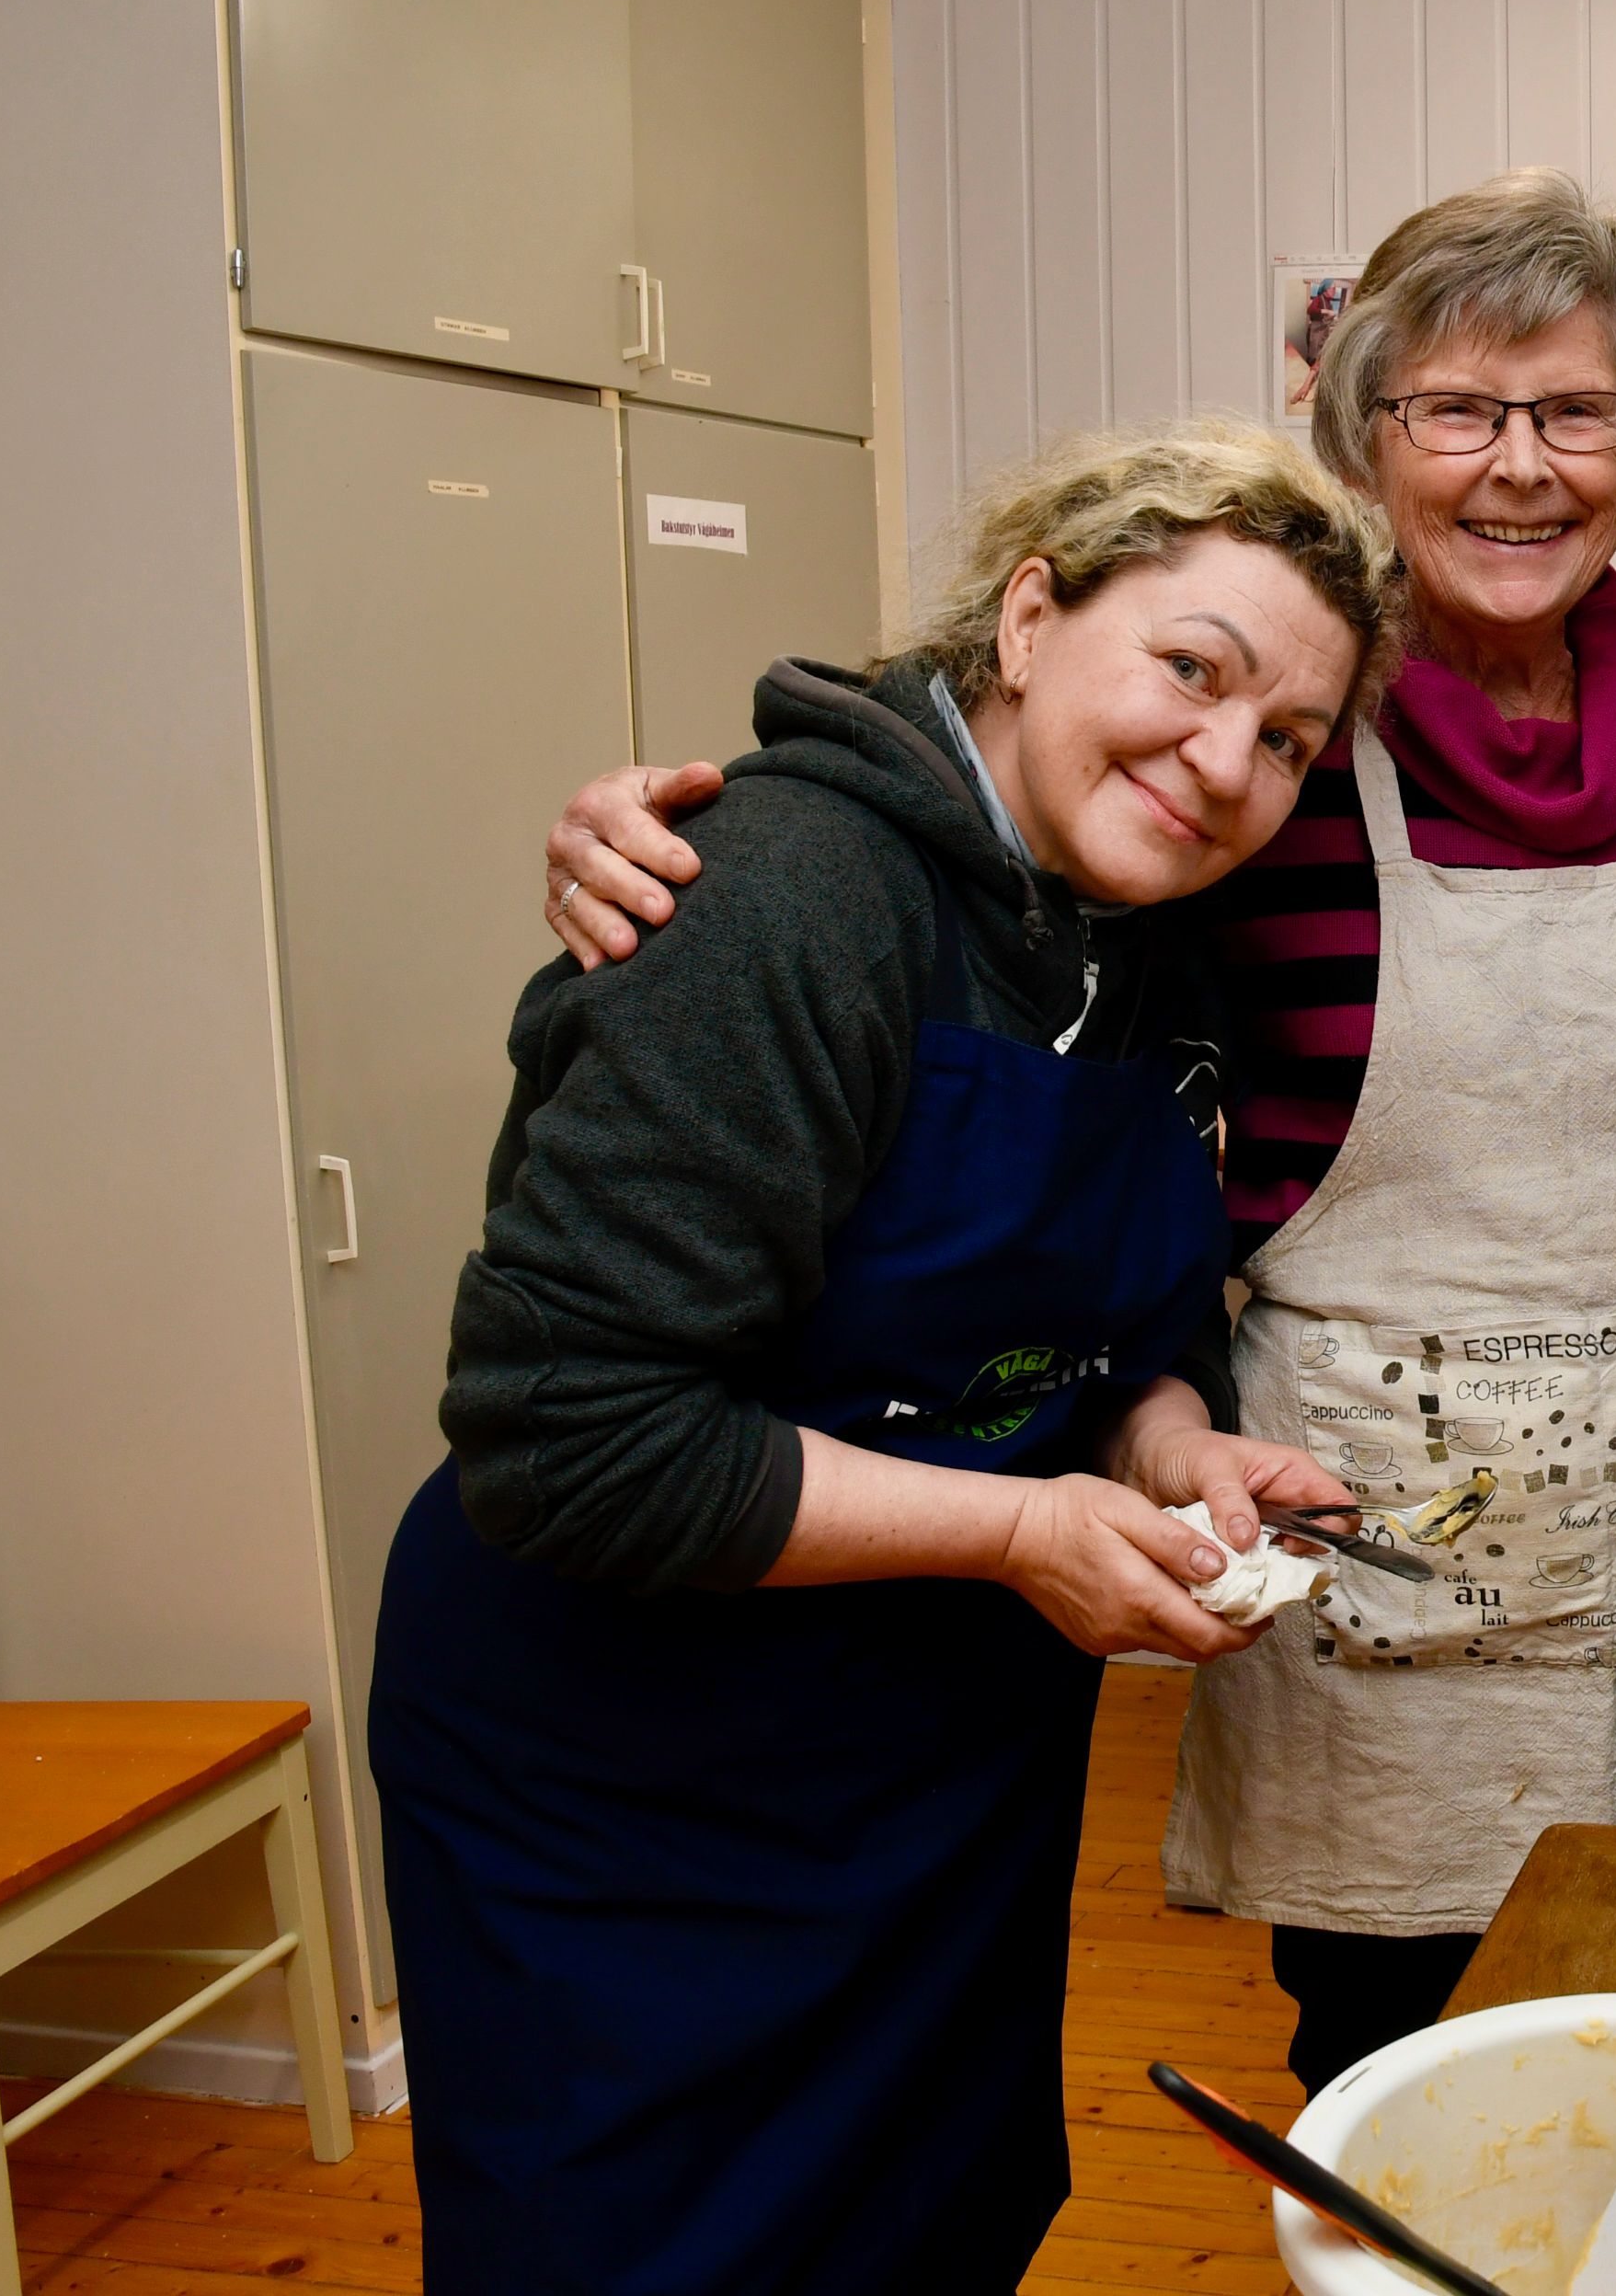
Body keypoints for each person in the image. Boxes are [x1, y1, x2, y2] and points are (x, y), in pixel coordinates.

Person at [539, 169, 1616, 2097]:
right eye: (1456, 412)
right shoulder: (1273, 740)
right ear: (1368, 439)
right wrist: (667, 845)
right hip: (1376, 1607)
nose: (1518, 468)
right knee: (1404, 2096)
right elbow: (973, 846)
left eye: (1576, 413)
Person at [383, 424, 1393, 2292]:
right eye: (1193, 669)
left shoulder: (1144, 946)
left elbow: (1131, 1324)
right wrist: (1019, 1537)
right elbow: (578, 1440)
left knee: (917, 2230)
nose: (1226, 762)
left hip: (929, 1777)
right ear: (1028, 614)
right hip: (629, 1783)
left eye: (1287, 740)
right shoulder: (786, 899)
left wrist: (1174, 1447)